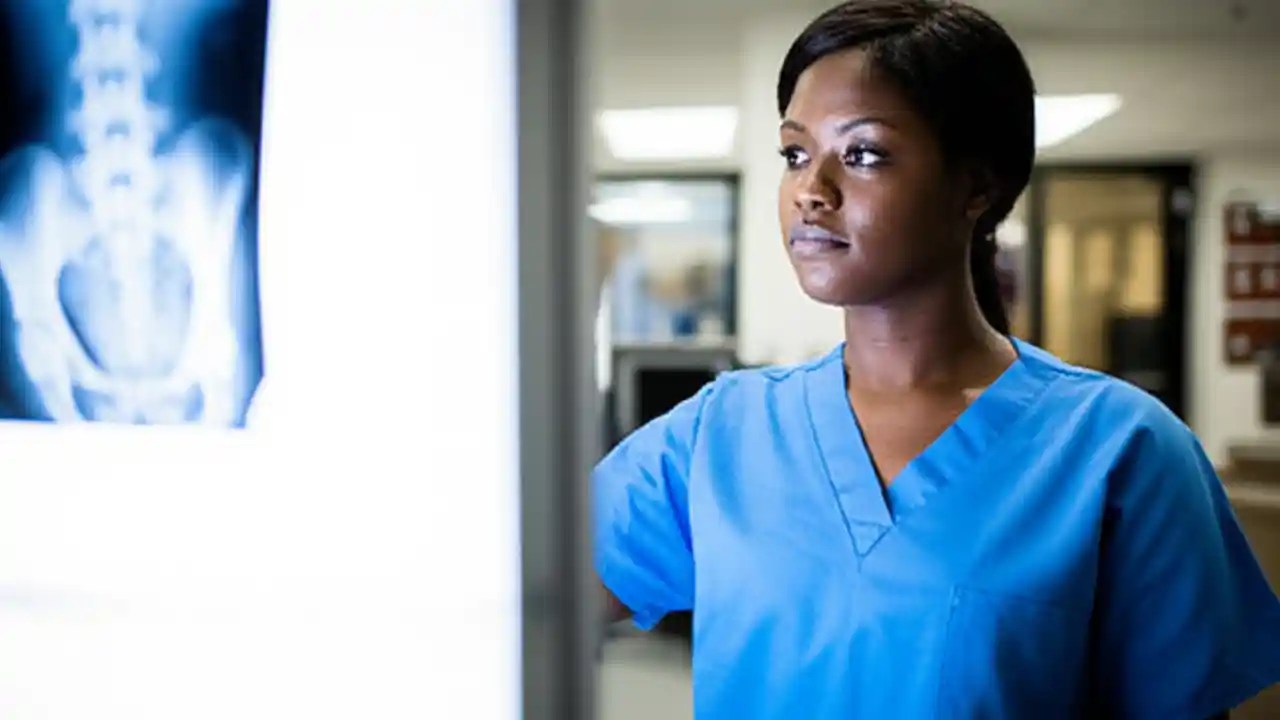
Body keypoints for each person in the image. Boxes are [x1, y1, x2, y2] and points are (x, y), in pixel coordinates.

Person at [591, 1, 1280, 718]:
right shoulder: (718, 435)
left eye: (863, 154)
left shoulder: (1120, 451)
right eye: (796, 154)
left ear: (977, 186)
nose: (811, 191)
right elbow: (518, 594)